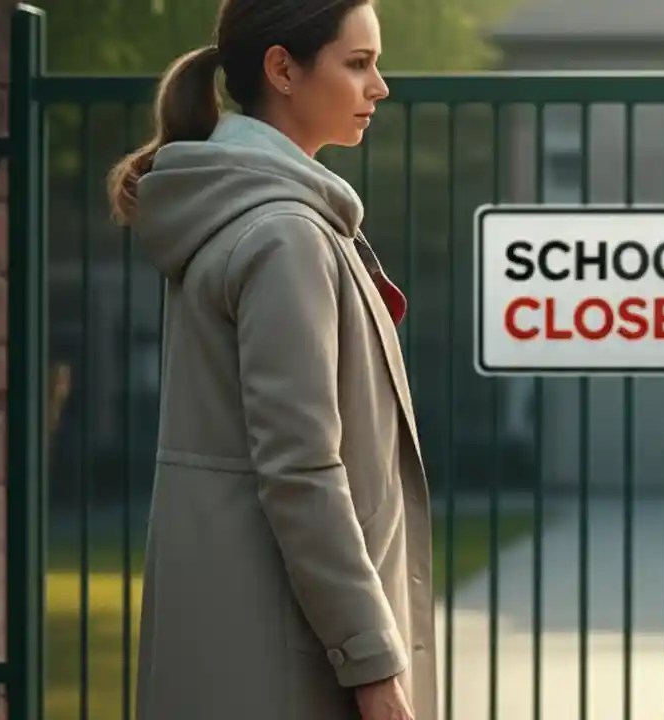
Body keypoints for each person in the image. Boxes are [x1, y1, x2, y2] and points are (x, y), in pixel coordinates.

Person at [106, 1, 435, 718]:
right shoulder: (284, 233)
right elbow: (301, 470)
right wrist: (373, 667)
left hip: (247, 640)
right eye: (358, 64)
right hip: (291, 660)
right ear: (283, 68)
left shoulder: (255, 214)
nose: (379, 86)